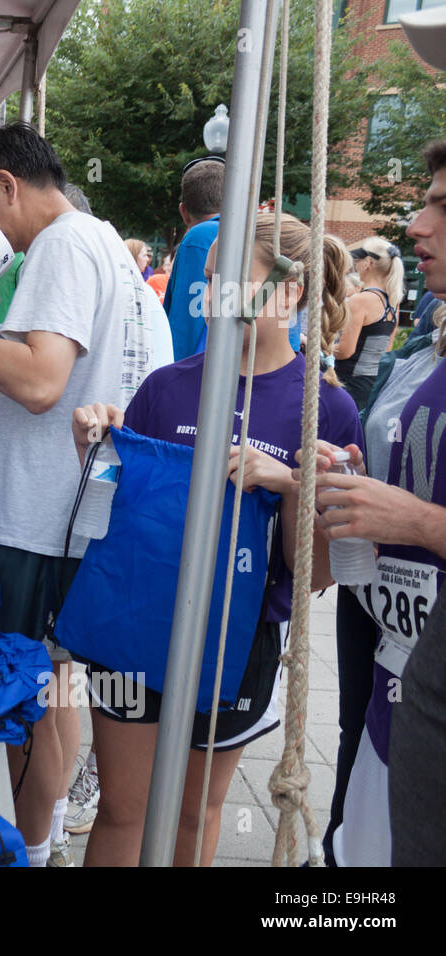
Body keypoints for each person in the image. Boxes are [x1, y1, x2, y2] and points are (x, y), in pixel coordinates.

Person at [69, 214, 360, 866]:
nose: (209, 298)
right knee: (122, 808)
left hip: (237, 639)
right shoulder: (168, 386)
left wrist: (288, 482)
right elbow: (113, 509)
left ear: (289, 293)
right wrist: (88, 446)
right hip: (135, 622)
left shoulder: (327, 408)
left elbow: (314, 574)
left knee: (192, 816)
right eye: (206, 282)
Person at [0, 122, 155, 867]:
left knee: (25, 701)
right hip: (81, 510)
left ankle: (24, 845)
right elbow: (57, 373)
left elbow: (45, 382)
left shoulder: (56, 246)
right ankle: (43, 841)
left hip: (47, 516)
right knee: (56, 690)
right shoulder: (104, 240)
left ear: (7, 185)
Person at [321, 139, 446, 866]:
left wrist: (415, 521)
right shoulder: (426, 348)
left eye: (441, 207)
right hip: (393, 683)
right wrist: (360, 479)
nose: (417, 229)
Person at [165, 157, 224, 361]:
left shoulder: (200, 237)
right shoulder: (263, 234)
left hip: (206, 377)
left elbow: (186, 327)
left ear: (184, 211)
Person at [335, 236, 404, 411]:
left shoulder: (360, 300)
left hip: (348, 382)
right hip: (373, 381)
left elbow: (345, 351)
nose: (356, 265)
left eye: (358, 261)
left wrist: (317, 347)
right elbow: (387, 348)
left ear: (368, 263)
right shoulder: (393, 302)